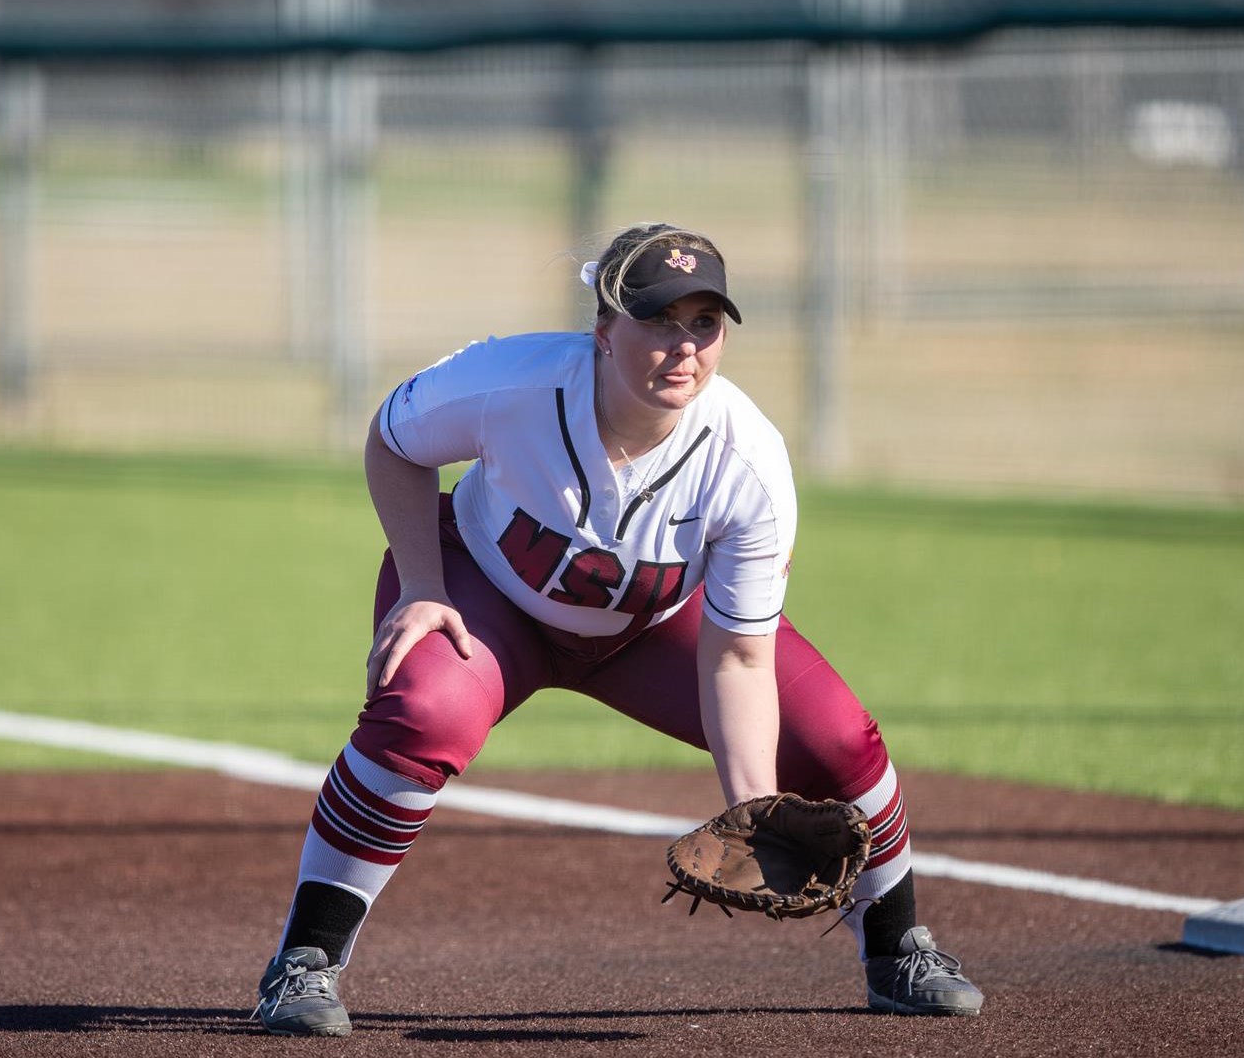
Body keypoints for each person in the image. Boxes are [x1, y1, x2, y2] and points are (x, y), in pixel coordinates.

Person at [252, 223, 982, 1036]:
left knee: (837, 739)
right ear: (603, 329)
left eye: (704, 323)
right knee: (427, 713)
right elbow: (393, 442)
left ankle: (897, 949)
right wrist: (422, 584)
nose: (685, 346)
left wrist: (753, 809)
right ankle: (304, 961)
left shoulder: (747, 461)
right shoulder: (512, 382)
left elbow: (739, 659)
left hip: (651, 631)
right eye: (659, 320)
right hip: (488, 594)